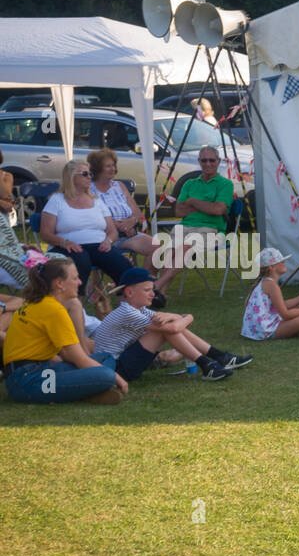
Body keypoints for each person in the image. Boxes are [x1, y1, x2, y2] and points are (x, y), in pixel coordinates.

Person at [2, 258, 126, 404]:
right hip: (27, 381)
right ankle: (85, 392)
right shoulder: (53, 309)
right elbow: (79, 358)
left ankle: (84, 392)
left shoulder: (40, 302)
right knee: (107, 375)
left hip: (37, 371)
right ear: (59, 283)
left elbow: (68, 354)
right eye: (74, 278)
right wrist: (116, 378)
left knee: (105, 358)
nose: (80, 282)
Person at [95, 268, 250, 382]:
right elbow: (174, 328)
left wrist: (171, 316)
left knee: (165, 327)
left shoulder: (138, 309)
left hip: (121, 364)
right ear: (129, 293)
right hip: (115, 370)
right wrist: (189, 316)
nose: (153, 294)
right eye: (147, 290)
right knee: (163, 330)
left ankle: (218, 358)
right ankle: (209, 363)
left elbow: (174, 323)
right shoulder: (127, 312)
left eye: (152, 290)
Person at [39, 160, 134, 306]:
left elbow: (112, 231)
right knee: (80, 260)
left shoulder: (97, 201)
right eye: (84, 174)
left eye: (90, 174)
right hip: (67, 247)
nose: (89, 177)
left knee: (123, 266)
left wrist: (108, 241)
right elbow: (45, 233)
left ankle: (128, 311)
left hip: (99, 245)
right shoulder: (57, 201)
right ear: (71, 177)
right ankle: (75, 308)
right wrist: (65, 242)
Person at [87, 148, 175, 299]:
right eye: (108, 166)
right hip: (104, 236)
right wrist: (115, 225)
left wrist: (129, 222)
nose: (113, 168)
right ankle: (135, 290)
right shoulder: (89, 189)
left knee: (157, 247)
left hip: (128, 233)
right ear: (97, 168)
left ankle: (147, 287)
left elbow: (137, 213)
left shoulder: (119, 186)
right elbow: (90, 217)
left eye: (114, 165)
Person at [163, 145, 234, 303]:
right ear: (199, 162)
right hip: (185, 225)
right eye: (204, 160)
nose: (208, 164)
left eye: (212, 160)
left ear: (218, 161)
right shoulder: (189, 183)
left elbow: (218, 210)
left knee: (185, 248)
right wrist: (207, 206)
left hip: (211, 229)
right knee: (169, 251)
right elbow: (179, 212)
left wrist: (193, 202)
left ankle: (156, 286)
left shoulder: (225, 184)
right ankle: (160, 294)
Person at [242, 247, 299, 340]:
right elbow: (285, 314)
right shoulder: (271, 285)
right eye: (281, 261)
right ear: (271, 268)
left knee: (298, 308)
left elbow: (282, 305)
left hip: (257, 328)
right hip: (265, 331)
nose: (284, 262)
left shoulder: (267, 282)